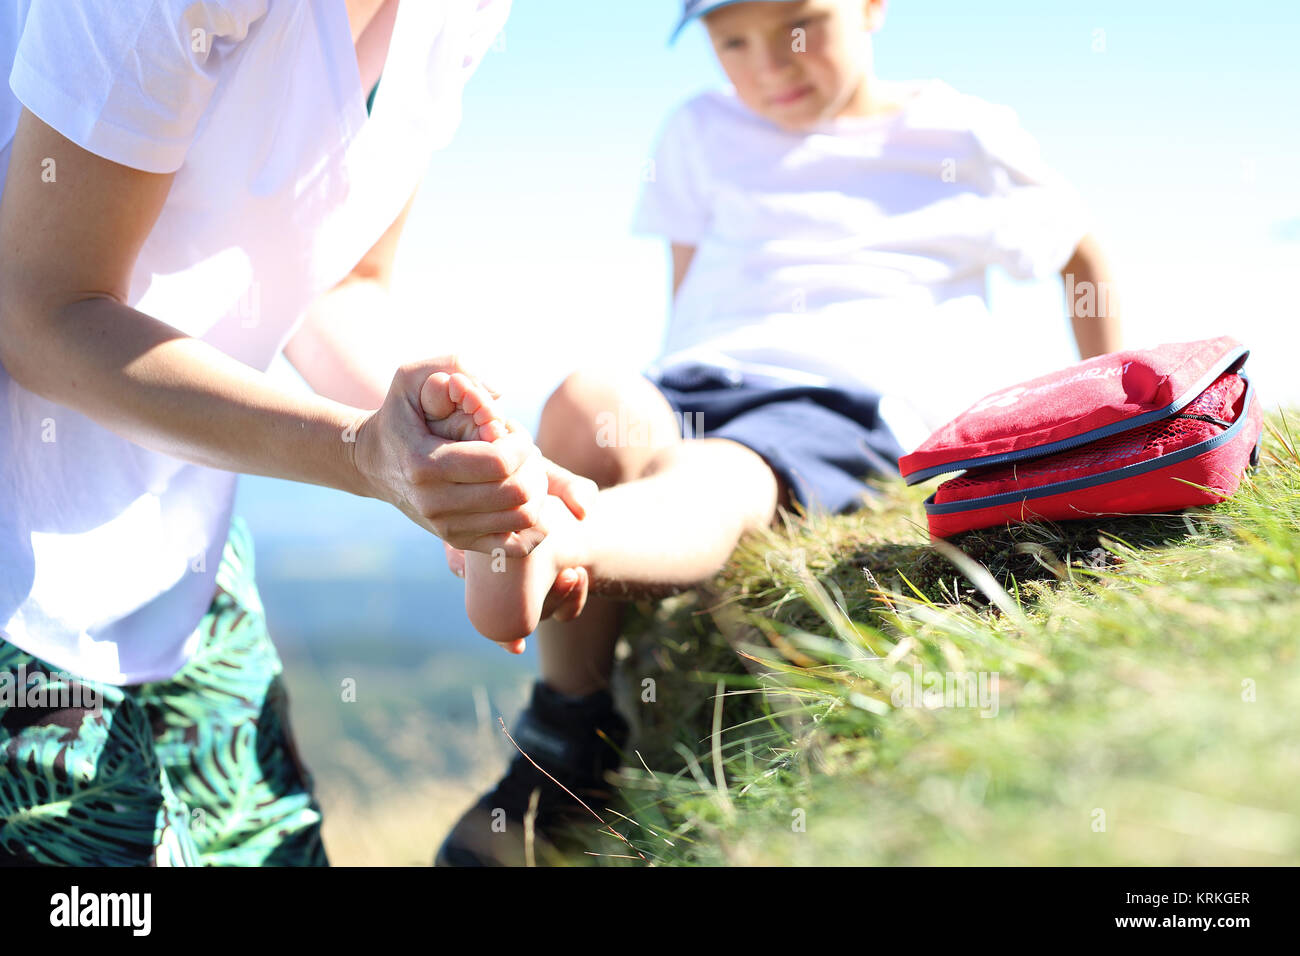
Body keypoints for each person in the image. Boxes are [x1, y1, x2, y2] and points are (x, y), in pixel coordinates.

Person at [436, 0, 1123, 866]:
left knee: (717, 477)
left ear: (871, 8)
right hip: (695, 375)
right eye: (733, 41)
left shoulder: (961, 133)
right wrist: (645, 414)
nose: (771, 62)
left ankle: (551, 532)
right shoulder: (696, 130)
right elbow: (689, 295)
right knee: (582, 398)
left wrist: (1116, 411)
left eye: (802, 24)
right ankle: (569, 727)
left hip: (839, 395)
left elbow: (1081, 254)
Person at [0, 0, 596, 866]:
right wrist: (365, 456)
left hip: (177, 530)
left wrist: (464, 448)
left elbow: (339, 282)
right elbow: (40, 312)